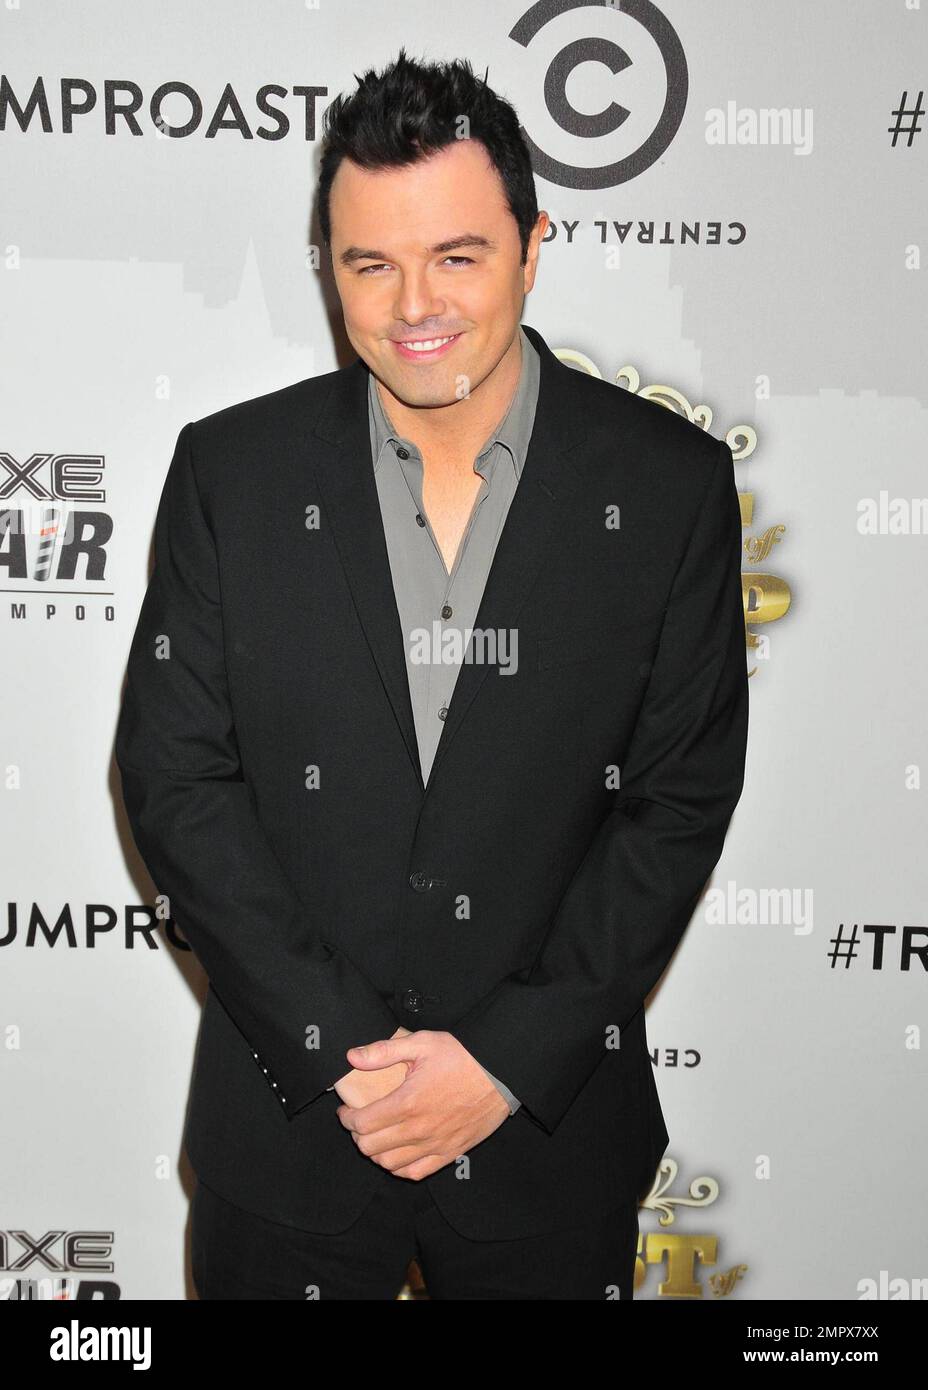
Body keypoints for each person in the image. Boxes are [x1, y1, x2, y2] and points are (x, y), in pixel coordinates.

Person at [115, 48, 749, 1301]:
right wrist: (354, 1054)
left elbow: (675, 802)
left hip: (545, 1139)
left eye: (455, 255)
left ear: (531, 242)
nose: (414, 304)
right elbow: (175, 775)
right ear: (327, 267)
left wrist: (500, 1061)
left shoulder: (667, 485)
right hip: (293, 1133)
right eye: (370, 262)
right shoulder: (232, 475)